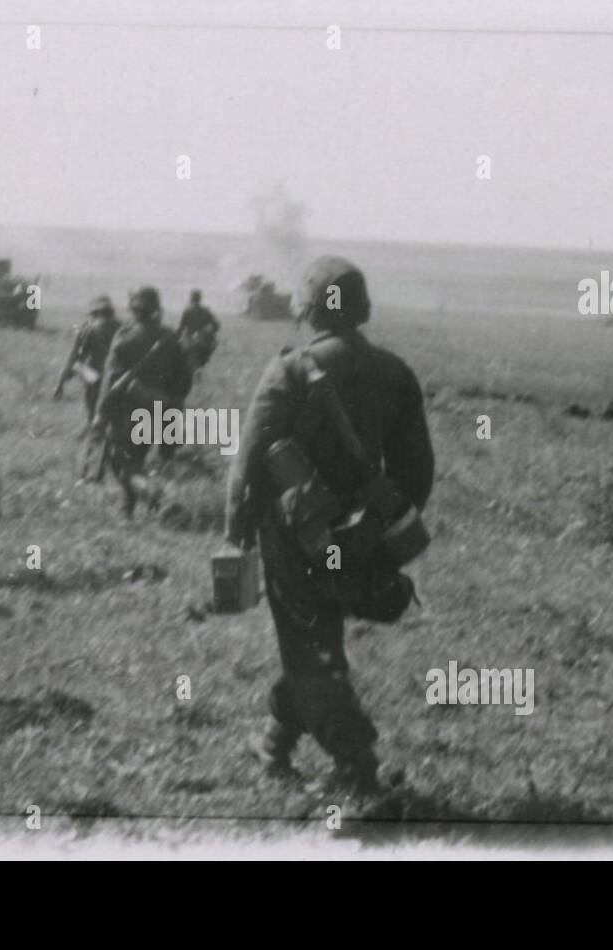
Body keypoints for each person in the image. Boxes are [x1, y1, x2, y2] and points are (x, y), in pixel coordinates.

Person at [225, 256, 434, 797]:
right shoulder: (395, 372)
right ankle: (273, 742)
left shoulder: (289, 369)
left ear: (310, 308)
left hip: (298, 539)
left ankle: (356, 766)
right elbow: (417, 474)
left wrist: (237, 532)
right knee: (318, 639)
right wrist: (377, 538)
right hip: (361, 541)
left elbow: (247, 466)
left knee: (307, 644)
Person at [93, 286, 193, 517]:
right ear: (156, 309)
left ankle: (155, 497)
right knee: (137, 459)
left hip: (129, 411)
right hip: (163, 410)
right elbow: (185, 381)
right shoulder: (171, 337)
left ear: (133, 309)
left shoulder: (124, 336)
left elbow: (110, 380)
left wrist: (100, 415)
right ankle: (126, 508)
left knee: (122, 465)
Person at [54, 295, 121, 428]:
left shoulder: (88, 328)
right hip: (118, 375)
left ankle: (90, 421)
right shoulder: (123, 327)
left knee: (79, 366)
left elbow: (74, 357)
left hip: (95, 376)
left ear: (94, 313)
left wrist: (60, 383)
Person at [177, 288, 220, 371]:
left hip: (190, 341)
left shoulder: (187, 311)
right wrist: (209, 332)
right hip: (203, 341)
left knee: (189, 359)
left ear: (191, 299)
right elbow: (216, 326)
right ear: (200, 299)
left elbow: (181, 328)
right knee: (205, 355)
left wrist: (176, 338)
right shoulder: (206, 311)